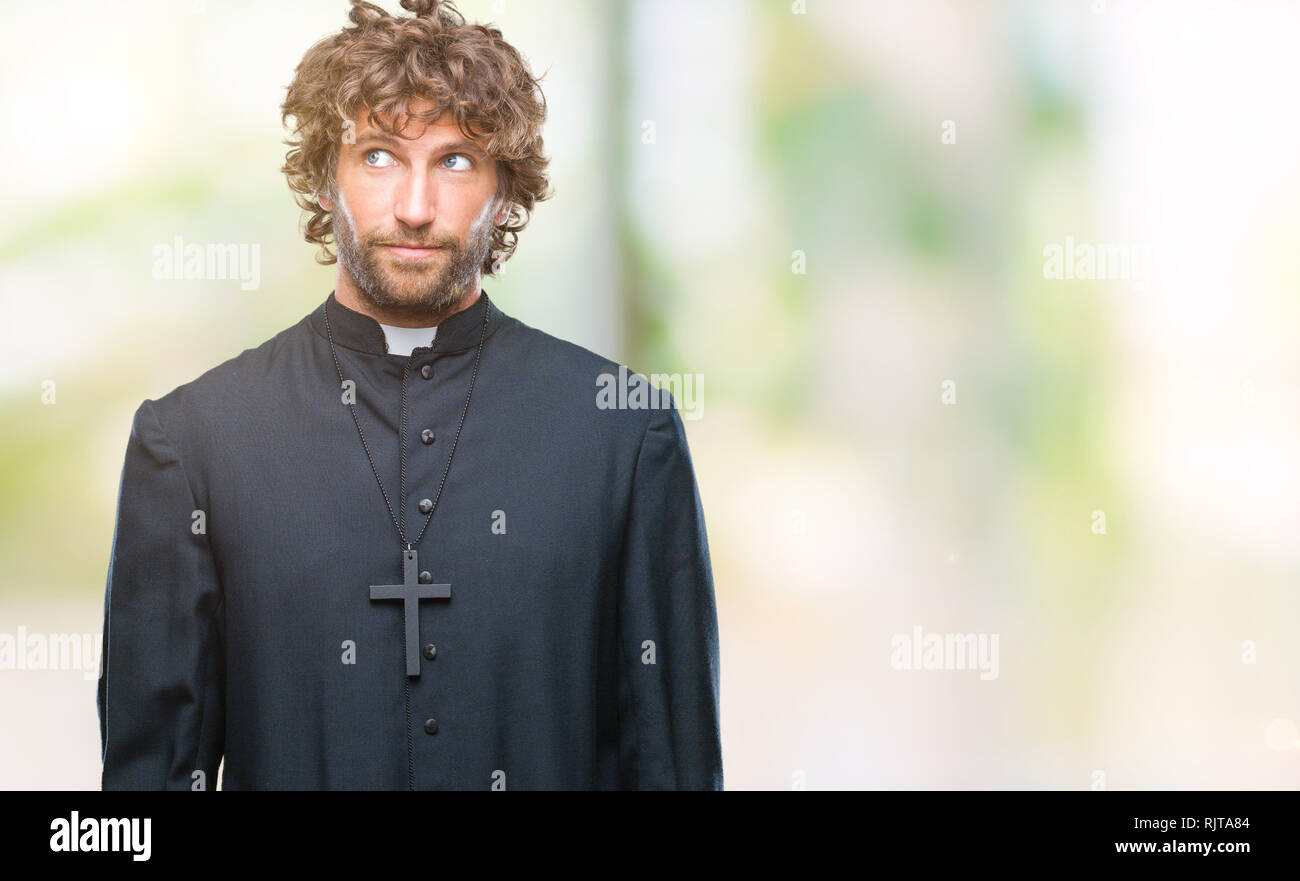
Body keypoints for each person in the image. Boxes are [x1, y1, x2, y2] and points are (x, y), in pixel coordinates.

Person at [97, 0, 722, 790]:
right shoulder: (191, 442)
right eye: (380, 155)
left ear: (505, 191)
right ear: (327, 178)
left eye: (457, 160)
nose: (417, 207)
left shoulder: (625, 435)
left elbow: (675, 765)